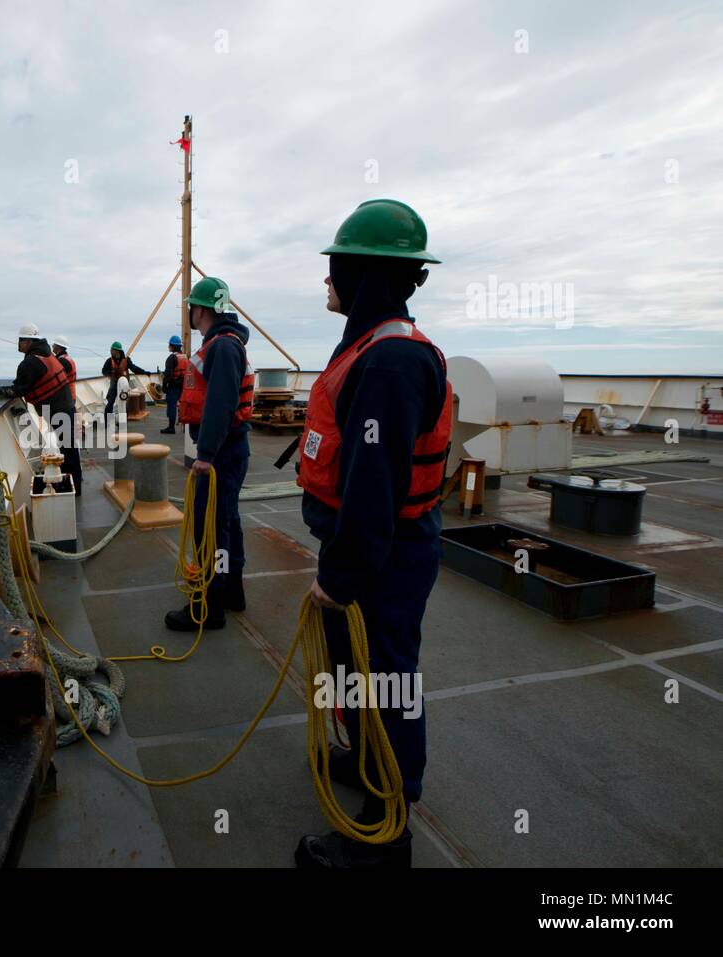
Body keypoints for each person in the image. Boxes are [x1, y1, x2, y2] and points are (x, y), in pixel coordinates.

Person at [293, 199, 452, 869]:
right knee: (354, 672)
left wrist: (339, 576)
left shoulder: (388, 361)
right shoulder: (372, 346)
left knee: (385, 679)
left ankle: (386, 835)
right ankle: (364, 759)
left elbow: (373, 489)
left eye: (335, 266)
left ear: (362, 274)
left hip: (382, 559)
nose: (327, 279)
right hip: (369, 554)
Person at [164, 276, 253, 631]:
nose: (189, 312)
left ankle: (209, 605)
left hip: (222, 454)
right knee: (227, 521)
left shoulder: (222, 347)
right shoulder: (223, 344)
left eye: (190, 307)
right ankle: (232, 591)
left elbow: (220, 404)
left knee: (209, 528)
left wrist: (205, 454)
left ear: (199, 309)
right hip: (228, 451)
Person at [0, 323, 84, 496]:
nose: (18, 343)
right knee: (68, 447)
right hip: (64, 405)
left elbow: (19, 389)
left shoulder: (30, 363)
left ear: (28, 341)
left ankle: (75, 489)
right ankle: (75, 481)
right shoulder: (46, 354)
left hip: (57, 409)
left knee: (68, 448)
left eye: (21, 340)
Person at [101, 341, 148, 417]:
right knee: (110, 403)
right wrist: (110, 373)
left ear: (116, 351)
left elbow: (134, 368)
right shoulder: (109, 361)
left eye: (112, 349)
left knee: (123, 402)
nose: (110, 351)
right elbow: (104, 371)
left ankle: (123, 422)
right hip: (114, 383)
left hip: (123, 385)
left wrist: (145, 372)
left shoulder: (126, 360)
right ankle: (108, 422)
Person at [160, 334, 188, 434]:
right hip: (184, 385)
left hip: (174, 385)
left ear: (172, 346)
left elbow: (167, 374)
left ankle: (171, 427)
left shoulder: (171, 358)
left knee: (171, 405)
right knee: (184, 405)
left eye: (169, 345)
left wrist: (164, 386)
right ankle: (186, 427)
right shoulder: (185, 357)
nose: (168, 347)